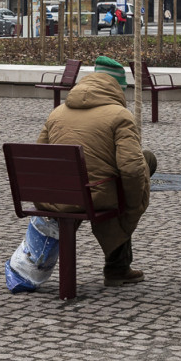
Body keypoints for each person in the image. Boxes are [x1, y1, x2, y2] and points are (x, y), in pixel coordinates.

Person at [36, 55, 155, 286]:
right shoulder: (120, 116)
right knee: (138, 170)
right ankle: (117, 267)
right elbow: (131, 169)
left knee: (133, 166)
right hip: (92, 195)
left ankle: (117, 267)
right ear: (117, 88)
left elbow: (39, 158)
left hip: (54, 196)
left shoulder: (57, 112)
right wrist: (133, 206)